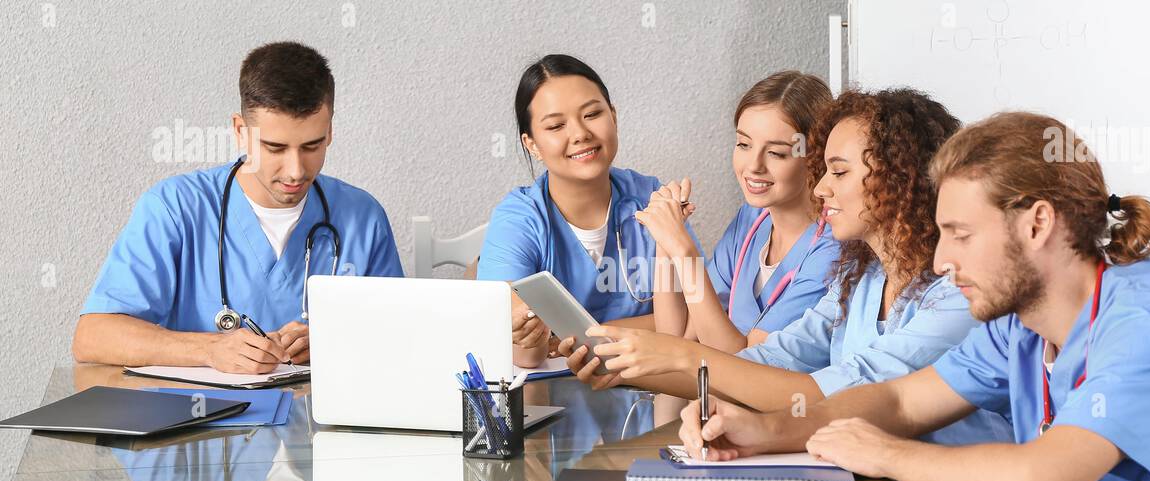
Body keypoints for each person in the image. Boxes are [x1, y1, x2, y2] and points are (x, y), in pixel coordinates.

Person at [678, 111, 1150, 481]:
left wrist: (886, 454)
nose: (942, 261)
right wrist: (769, 430)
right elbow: (899, 400)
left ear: (1037, 224)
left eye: (961, 234)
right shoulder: (1018, 328)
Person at [563, 89, 1010, 445]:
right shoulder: (862, 278)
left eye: (838, 172)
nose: (820, 189)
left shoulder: (960, 296)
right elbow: (767, 362)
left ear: (899, 176)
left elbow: (837, 393)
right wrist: (624, 368)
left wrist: (679, 354)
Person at [72, 42, 402, 374]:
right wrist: (209, 348)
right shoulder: (174, 208)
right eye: (274, 147)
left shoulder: (363, 217)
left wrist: (335, 341)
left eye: (311, 146)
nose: (295, 170)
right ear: (241, 131)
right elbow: (93, 338)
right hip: (201, 422)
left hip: (321, 422)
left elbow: (400, 340)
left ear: (329, 130)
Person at [477, 54, 697, 368]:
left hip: (649, 395)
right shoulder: (519, 220)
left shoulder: (653, 200)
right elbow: (519, 349)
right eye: (555, 125)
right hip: (556, 404)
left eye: (592, 114)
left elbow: (697, 320)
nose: (580, 133)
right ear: (532, 145)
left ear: (614, 117)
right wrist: (650, 329)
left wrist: (565, 338)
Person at [634, 71, 838, 350]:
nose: (753, 165)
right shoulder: (751, 221)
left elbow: (741, 362)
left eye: (776, 153)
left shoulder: (832, 250)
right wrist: (665, 240)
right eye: (743, 144)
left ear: (815, 157)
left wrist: (684, 251)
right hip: (713, 391)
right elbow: (677, 336)